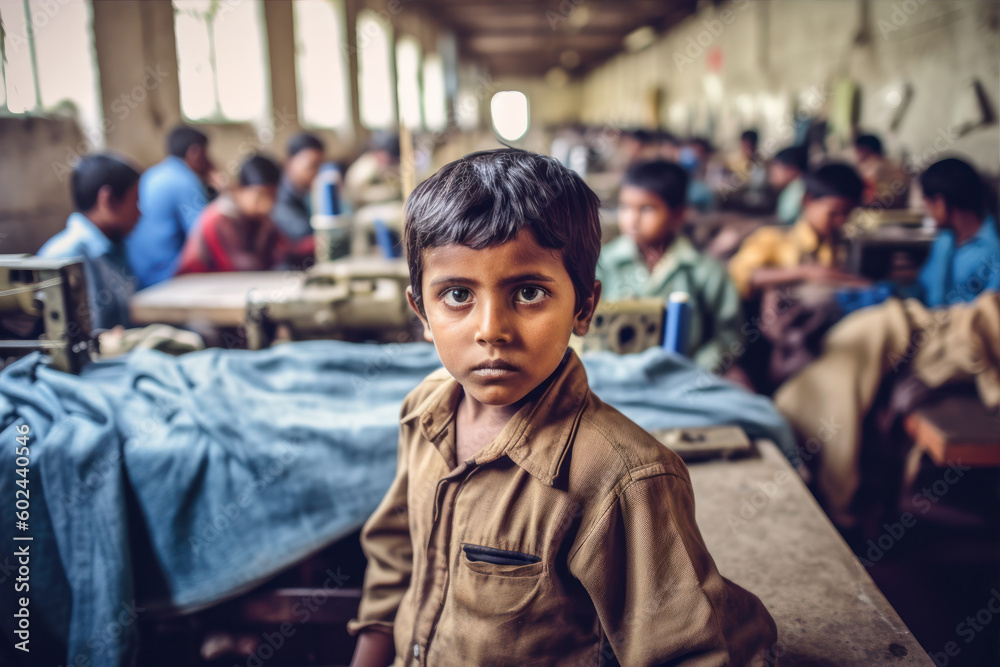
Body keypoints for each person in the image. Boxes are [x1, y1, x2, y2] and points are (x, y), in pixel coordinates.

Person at [347, 148, 777, 666]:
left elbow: (686, 653)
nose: (491, 330)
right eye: (457, 294)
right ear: (422, 311)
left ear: (584, 307)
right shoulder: (424, 412)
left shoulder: (622, 478)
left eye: (529, 292)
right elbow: (397, 553)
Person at [597, 160, 743, 372]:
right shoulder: (603, 263)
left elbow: (730, 334)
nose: (632, 219)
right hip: (612, 376)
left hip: (683, 379)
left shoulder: (704, 271)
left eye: (647, 209)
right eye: (625, 207)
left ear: (678, 215)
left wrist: (698, 369)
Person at [729, 162, 869, 298]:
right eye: (834, 213)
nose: (841, 221)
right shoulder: (774, 237)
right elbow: (740, 274)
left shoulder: (839, 243)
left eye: (847, 215)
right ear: (807, 201)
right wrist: (805, 272)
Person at [37, 153, 141, 330]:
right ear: (108, 201)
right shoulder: (63, 257)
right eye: (135, 202)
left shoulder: (116, 245)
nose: (140, 213)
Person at [126, 125, 214, 288]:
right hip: (165, 277)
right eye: (206, 153)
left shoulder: (152, 174)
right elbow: (206, 234)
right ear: (195, 152)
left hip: (138, 275)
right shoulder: (185, 179)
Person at [174, 155, 288, 275]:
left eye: (273, 196)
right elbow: (234, 267)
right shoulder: (218, 217)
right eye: (261, 195)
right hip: (193, 287)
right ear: (240, 189)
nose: (268, 204)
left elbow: (279, 254)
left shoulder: (258, 219)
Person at [916, 157, 1000, 307]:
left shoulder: (993, 249)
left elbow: (992, 312)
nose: (927, 212)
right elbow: (926, 288)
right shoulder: (944, 240)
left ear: (940, 203)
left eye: (927, 204)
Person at [272, 132, 324, 255]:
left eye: (320, 166)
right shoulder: (277, 196)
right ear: (290, 162)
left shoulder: (303, 194)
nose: (317, 173)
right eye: (312, 166)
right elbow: (305, 233)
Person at [854, 133, 909, 209]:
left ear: (865, 150)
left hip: (882, 215)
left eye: (857, 152)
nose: (855, 156)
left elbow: (870, 199)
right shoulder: (894, 164)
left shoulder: (874, 167)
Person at [769, 145, 808, 225]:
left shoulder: (796, 191)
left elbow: (782, 222)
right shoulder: (794, 188)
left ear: (793, 169)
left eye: (777, 166)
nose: (772, 172)